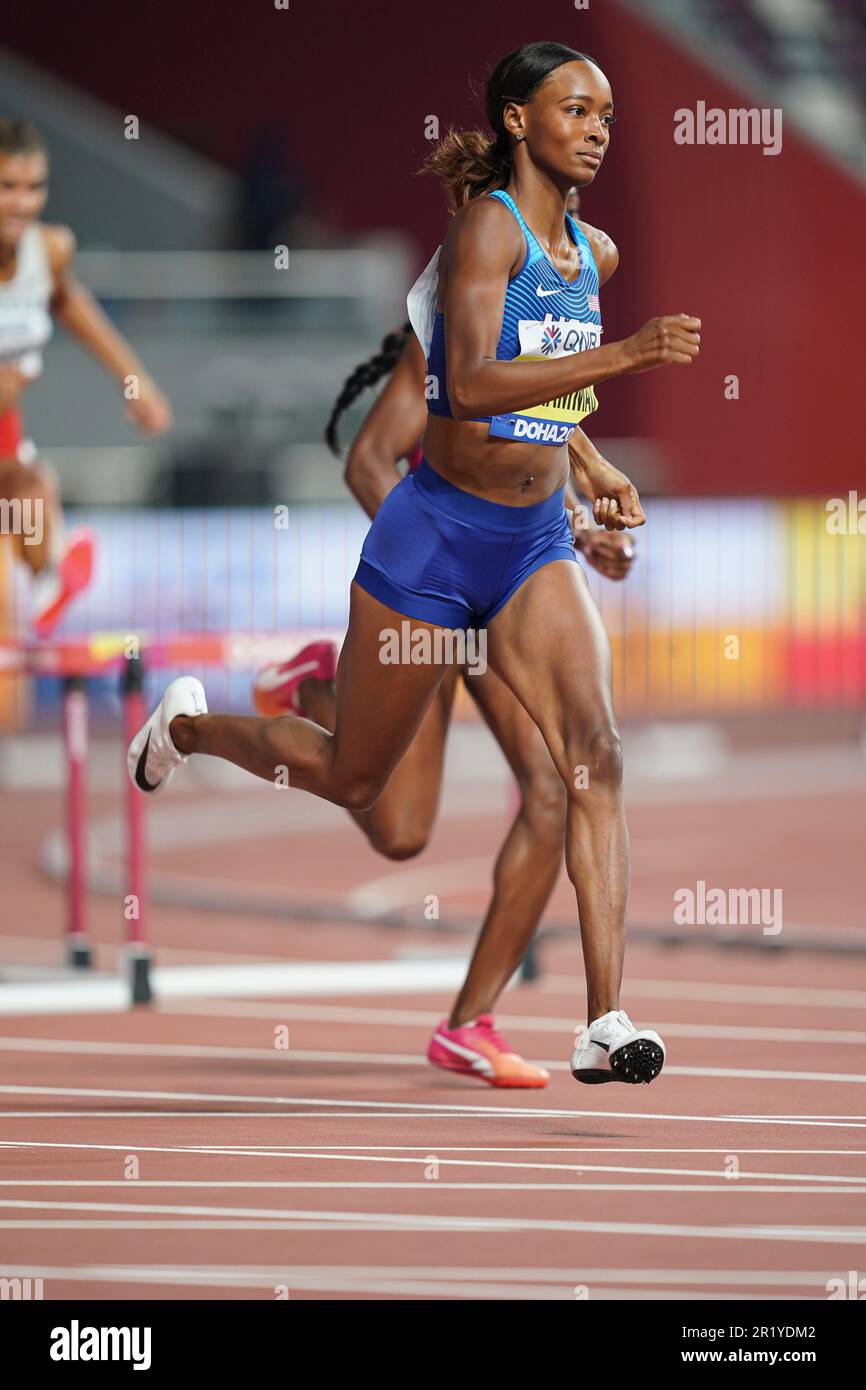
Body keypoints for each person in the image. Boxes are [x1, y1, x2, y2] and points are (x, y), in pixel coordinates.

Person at [128, 41, 700, 1087]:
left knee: (590, 759)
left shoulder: (595, 255)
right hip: (430, 544)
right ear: (519, 122)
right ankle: (190, 725)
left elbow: (544, 397)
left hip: (527, 550)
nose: (598, 128)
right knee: (361, 784)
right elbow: (472, 382)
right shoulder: (483, 231)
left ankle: (603, 1018)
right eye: (575, 109)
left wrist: (588, 475)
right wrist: (626, 358)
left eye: (607, 115)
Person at [253, 320, 635, 1088]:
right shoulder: (446, 343)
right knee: (398, 832)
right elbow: (367, 463)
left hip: (508, 600)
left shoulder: (548, 346)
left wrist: (592, 536)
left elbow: (551, 478)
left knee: (558, 791)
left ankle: (468, 1024)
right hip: (431, 596)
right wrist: (439, 573)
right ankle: (322, 687)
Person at [0, 119, 171, 635]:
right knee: (30, 489)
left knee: (29, 493)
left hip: (5, 440)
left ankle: (51, 576)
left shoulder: (48, 251)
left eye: (35, 187)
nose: (24, 203)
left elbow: (72, 304)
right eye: (8, 186)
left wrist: (135, 383)